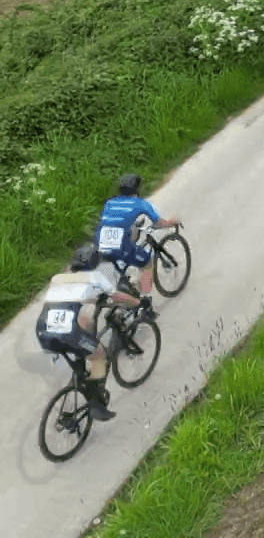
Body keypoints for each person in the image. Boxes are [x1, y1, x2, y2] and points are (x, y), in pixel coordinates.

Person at [36, 243, 139, 421]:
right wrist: (137, 303)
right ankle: (95, 406)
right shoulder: (95, 278)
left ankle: (78, 386)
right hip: (67, 334)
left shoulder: (57, 278)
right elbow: (117, 297)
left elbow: (74, 295)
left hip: (43, 332)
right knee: (99, 355)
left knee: (83, 335)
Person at [96, 173, 180, 299]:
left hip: (99, 242)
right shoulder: (140, 204)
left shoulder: (109, 202)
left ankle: (125, 287)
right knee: (147, 263)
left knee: (123, 254)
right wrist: (171, 222)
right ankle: (145, 303)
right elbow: (159, 223)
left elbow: (114, 222)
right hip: (120, 246)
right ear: (137, 189)